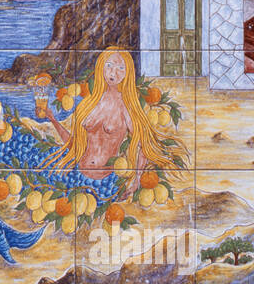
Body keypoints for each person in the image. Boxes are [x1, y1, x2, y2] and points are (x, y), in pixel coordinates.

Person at [41, 47, 187, 200]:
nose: (113, 72)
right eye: (109, 65)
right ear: (101, 67)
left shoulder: (126, 106)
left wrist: (136, 181)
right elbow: (76, 145)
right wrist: (53, 119)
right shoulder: (90, 102)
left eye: (120, 68)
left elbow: (143, 144)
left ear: (127, 73)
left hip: (106, 183)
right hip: (78, 176)